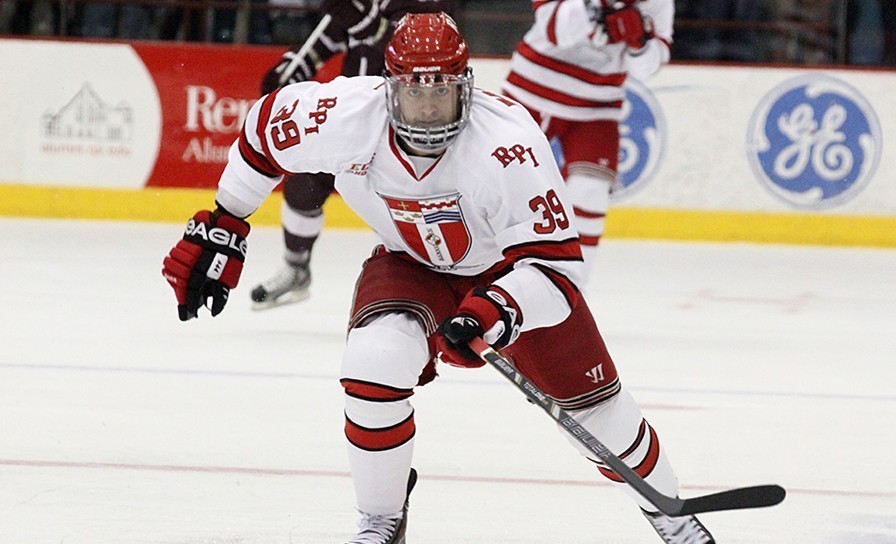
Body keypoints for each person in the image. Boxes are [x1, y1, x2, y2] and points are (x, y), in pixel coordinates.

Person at [162, 12, 715, 544]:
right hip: (409, 263)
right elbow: (263, 130)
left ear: (465, 88)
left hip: (507, 274)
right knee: (373, 362)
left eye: (441, 92)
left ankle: (675, 519)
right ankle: (380, 520)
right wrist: (224, 219)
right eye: (415, 92)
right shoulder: (347, 113)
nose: (428, 108)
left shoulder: (508, 143)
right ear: (388, 87)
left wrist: (495, 310)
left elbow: (556, 270)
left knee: (601, 416)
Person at [249, 0, 452, 309]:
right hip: (349, 120)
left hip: (400, 130)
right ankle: (295, 268)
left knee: (398, 207)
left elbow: (412, 48)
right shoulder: (366, 4)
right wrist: (290, 68)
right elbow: (324, 39)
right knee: (304, 182)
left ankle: (416, 284)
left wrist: (370, 24)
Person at [501, 0, 675, 281]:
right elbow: (553, 29)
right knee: (505, 190)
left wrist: (639, 41)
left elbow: (649, 67)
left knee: (591, 192)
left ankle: (570, 290)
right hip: (532, 91)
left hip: (598, 105)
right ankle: (491, 275)